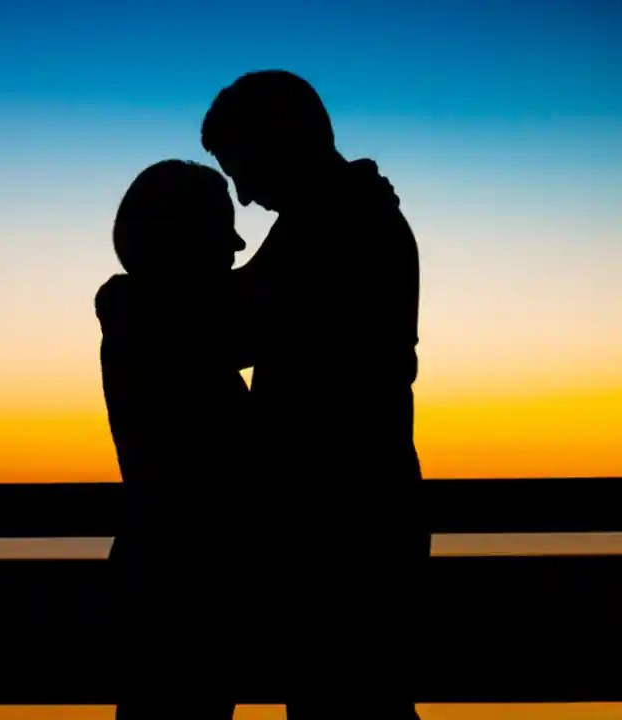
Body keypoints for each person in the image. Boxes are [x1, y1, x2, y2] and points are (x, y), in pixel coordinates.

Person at [201, 70, 427, 718]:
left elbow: (235, 327)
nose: (242, 197)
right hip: (359, 511)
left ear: (279, 141)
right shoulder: (340, 212)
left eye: (240, 167)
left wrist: (135, 296)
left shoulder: (333, 221)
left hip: (345, 521)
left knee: (344, 703)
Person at [96, 159, 252, 720]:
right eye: (220, 227)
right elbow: (277, 302)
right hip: (184, 582)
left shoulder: (143, 313)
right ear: (179, 238)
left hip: (166, 572)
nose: (236, 243)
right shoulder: (159, 318)